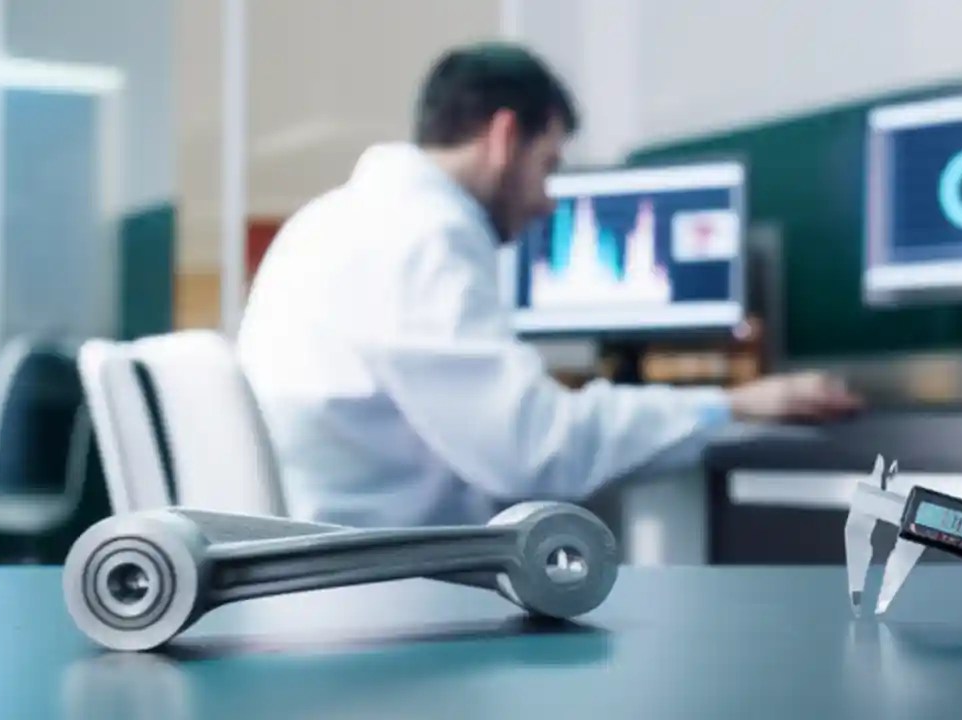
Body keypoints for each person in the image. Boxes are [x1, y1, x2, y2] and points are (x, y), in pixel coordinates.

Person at [236, 42, 860, 528]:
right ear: (505, 137)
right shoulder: (424, 235)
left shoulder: (337, 218)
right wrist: (730, 404)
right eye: (548, 166)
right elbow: (529, 449)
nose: (544, 205)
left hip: (332, 564)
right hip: (373, 596)